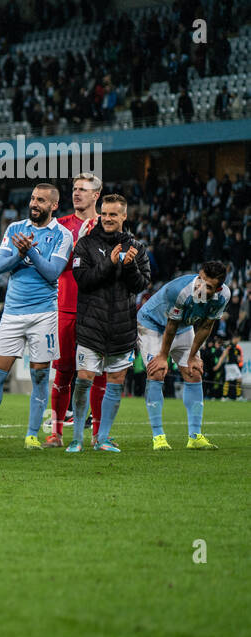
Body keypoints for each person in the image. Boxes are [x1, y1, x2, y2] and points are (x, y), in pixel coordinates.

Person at [0, 184, 74, 450]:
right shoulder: (14, 229)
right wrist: (19, 254)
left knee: (39, 377)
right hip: (12, 313)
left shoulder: (63, 235)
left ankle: (32, 435)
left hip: (44, 314)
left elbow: (52, 273)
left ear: (53, 205)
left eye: (41, 200)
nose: (35, 204)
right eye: (33, 199)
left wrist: (28, 253)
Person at [65, 193, 150, 452]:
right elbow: (83, 279)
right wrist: (109, 262)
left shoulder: (137, 247)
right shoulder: (86, 245)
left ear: (124, 216)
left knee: (115, 380)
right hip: (91, 325)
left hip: (122, 326)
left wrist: (129, 266)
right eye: (104, 213)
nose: (108, 218)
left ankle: (102, 438)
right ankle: (77, 438)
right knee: (84, 378)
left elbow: (142, 285)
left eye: (114, 214)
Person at [137, 262, 230, 450]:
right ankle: (158, 436)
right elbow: (170, 326)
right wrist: (163, 356)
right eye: (200, 281)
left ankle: (195, 436)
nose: (201, 287)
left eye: (209, 286)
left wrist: (193, 356)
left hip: (183, 326)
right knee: (157, 372)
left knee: (194, 372)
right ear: (199, 274)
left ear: (219, 288)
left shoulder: (224, 296)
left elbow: (206, 326)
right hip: (152, 324)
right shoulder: (179, 291)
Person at [47, 172, 105, 447]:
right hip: (66, 307)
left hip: (97, 309)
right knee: (64, 371)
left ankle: (97, 435)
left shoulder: (107, 226)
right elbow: (54, 266)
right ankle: (55, 433)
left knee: (98, 373)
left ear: (96, 195)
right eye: (74, 189)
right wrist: (77, 242)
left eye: (83, 189)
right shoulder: (59, 226)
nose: (76, 193)